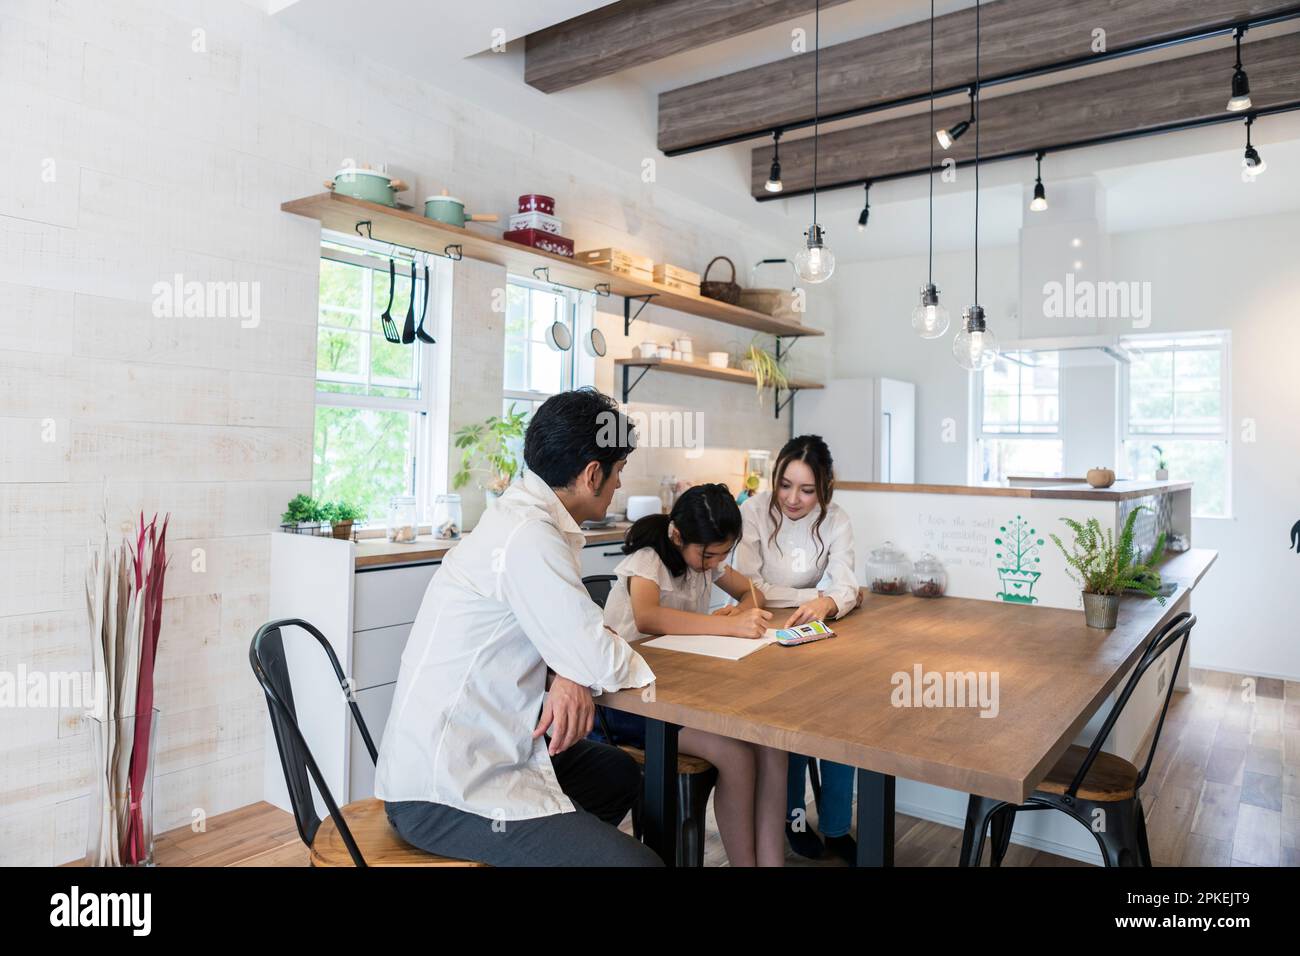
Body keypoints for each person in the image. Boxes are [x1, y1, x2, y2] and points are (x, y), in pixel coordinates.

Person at [374, 388, 662, 867]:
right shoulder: (529, 536)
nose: (617, 489)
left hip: (493, 745)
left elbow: (571, 642)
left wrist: (569, 668)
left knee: (617, 774)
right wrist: (578, 661)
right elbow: (599, 657)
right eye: (618, 475)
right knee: (641, 866)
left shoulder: (524, 520)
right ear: (593, 474)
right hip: (445, 787)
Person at [601, 483, 788, 867]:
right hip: (630, 702)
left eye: (721, 554)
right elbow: (647, 616)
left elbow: (753, 593)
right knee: (736, 756)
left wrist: (739, 612)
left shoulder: (707, 557)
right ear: (676, 534)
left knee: (771, 742)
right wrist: (724, 627)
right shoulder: (649, 559)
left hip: (682, 694)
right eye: (706, 554)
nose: (712, 563)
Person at [730, 434, 862, 863]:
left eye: (807, 490)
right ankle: (793, 821)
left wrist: (827, 601)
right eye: (785, 485)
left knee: (841, 723)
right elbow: (752, 589)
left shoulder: (836, 519)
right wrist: (817, 598)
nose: (792, 499)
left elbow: (845, 585)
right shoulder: (752, 512)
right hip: (763, 632)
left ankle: (838, 828)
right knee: (785, 731)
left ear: (824, 488)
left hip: (817, 634)